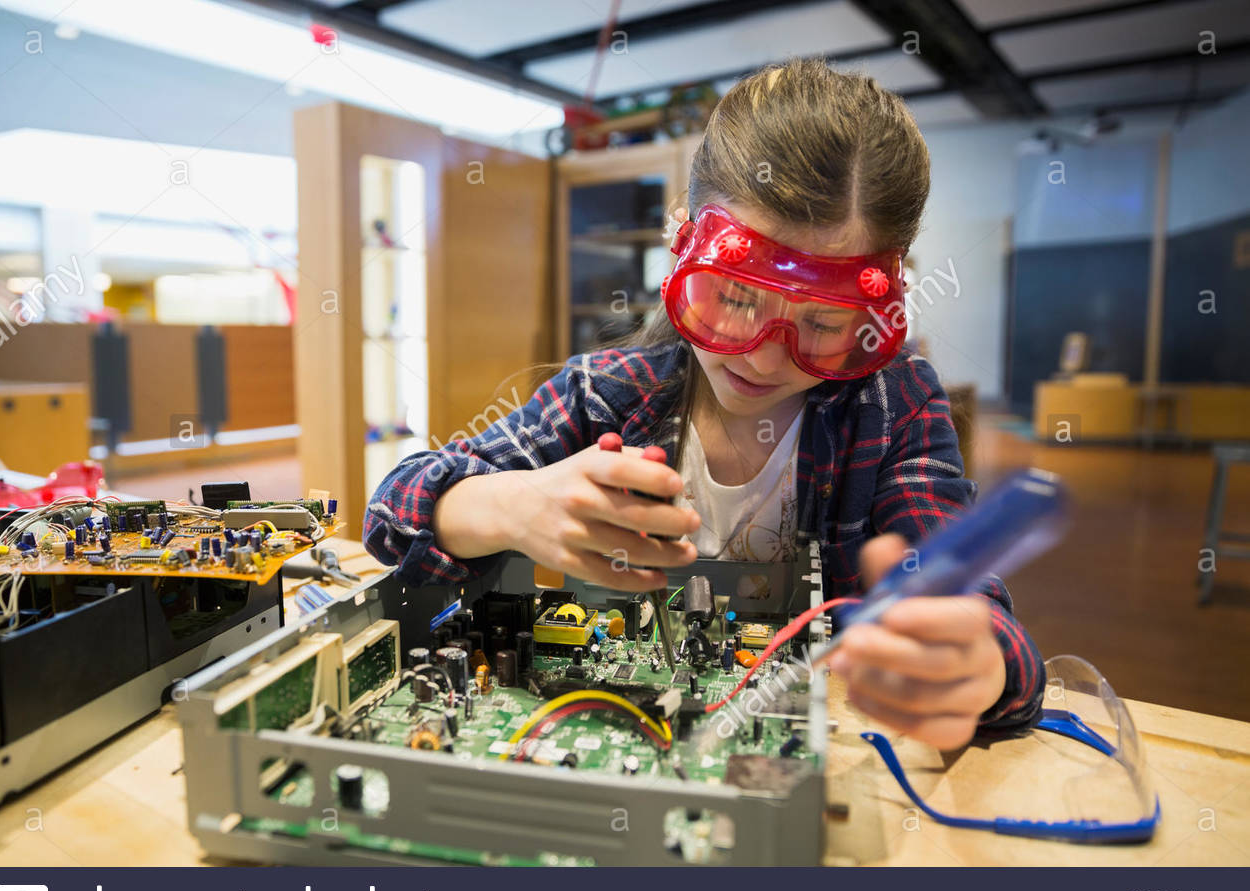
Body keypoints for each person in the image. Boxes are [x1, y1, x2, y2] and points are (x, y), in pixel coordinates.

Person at [364, 59, 1044, 750]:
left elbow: (985, 625)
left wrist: (977, 665)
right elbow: (393, 511)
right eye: (737, 299)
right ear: (680, 247)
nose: (763, 356)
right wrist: (511, 504)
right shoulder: (606, 395)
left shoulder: (894, 408)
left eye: (822, 324)